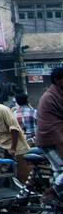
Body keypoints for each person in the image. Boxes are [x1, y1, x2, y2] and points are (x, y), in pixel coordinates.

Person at [33, 67, 63, 199]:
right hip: (50, 139)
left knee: (58, 171)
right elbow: (52, 127)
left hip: (58, 136)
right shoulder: (51, 96)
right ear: (57, 80)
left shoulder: (58, 93)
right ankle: (52, 192)